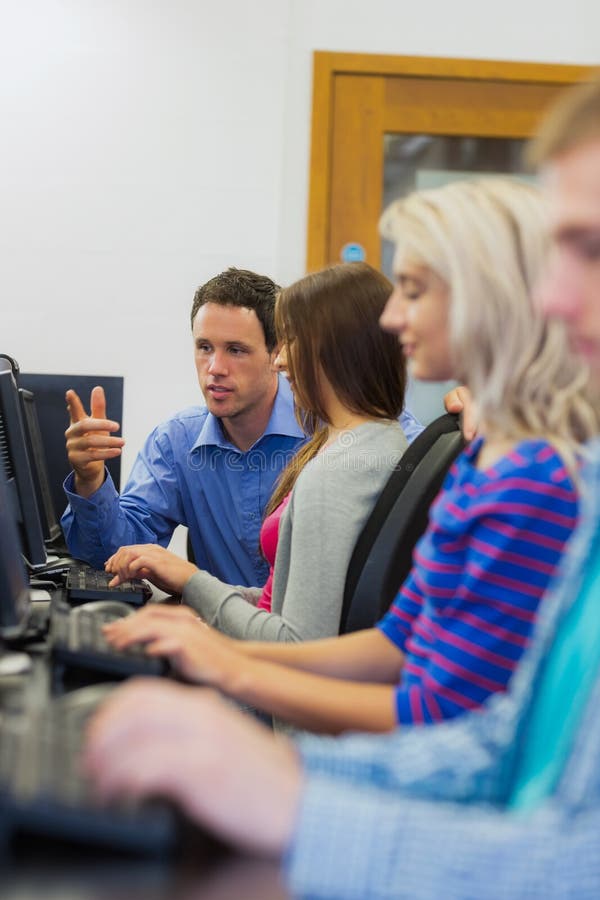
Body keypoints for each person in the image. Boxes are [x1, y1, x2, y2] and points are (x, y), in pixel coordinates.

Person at [84, 77, 600, 897]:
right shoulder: (543, 481)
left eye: (589, 251)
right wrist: (267, 757)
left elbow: (550, 834)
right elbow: (485, 738)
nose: (553, 296)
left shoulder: (538, 482)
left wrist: (270, 750)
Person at [102, 177, 595, 737]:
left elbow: (465, 719)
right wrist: (213, 653)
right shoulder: (464, 461)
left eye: (413, 290)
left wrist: (225, 662)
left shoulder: (525, 475)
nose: (392, 318)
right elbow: (395, 649)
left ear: (490, 299)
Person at [106, 262, 411, 643]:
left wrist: (193, 583)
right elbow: (281, 607)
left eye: (292, 343)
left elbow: (294, 644)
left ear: (335, 354)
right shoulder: (383, 439)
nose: (280, 362)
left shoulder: (332, 472)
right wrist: (192, 593)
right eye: (204, 347)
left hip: (276, 670)